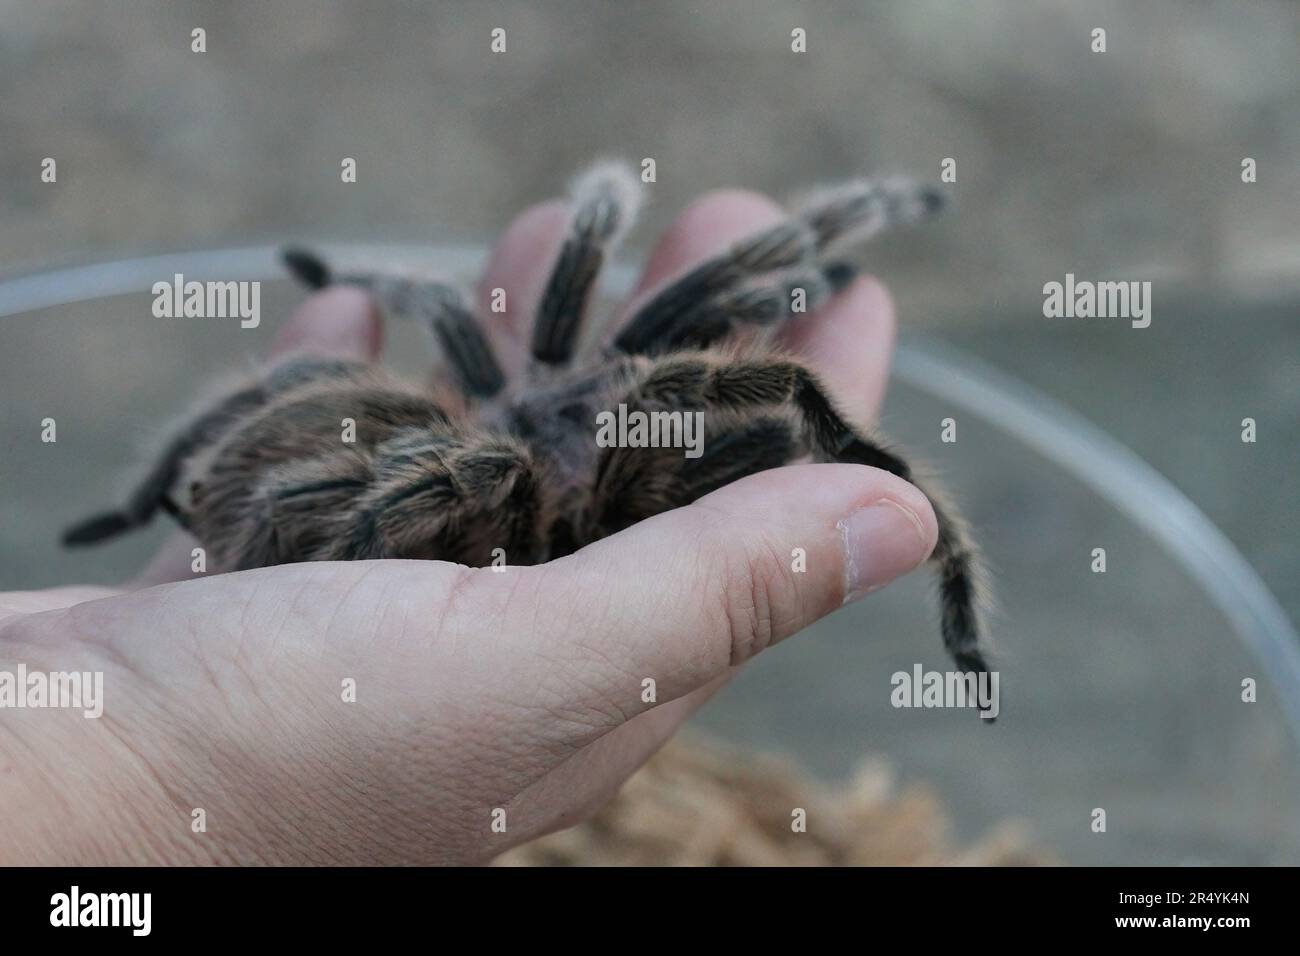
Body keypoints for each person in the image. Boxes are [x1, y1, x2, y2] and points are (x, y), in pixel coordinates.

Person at [0, 189, 937, 864]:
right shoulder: (514, 463)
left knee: (312, 384)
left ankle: (860, 214)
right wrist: (140, 778)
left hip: (430, 452)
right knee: (413, 409)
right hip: (418, 483)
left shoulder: (529, 397)